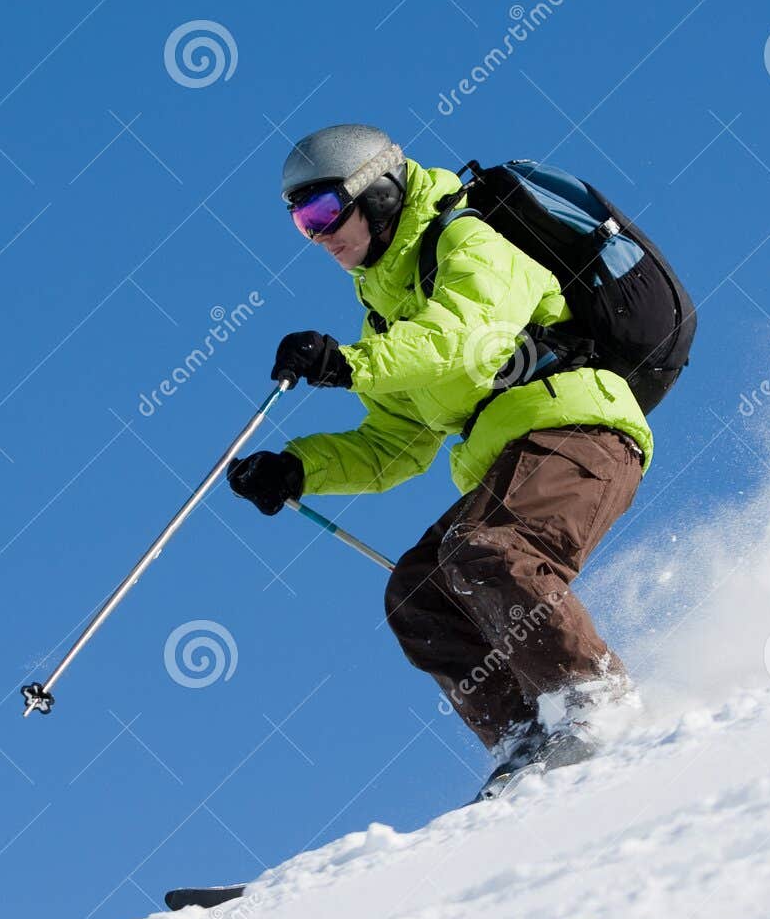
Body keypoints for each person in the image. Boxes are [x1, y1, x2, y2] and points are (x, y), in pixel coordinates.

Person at [228, 124, 659, 798]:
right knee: (419, 590)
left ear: (378, 191)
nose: (317, 234)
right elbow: (395, 444)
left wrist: (350, 364)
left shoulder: (468, 240)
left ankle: (593, 701)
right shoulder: (388, 311)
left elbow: (464, 336)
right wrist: (298, 468)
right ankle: (527, 742)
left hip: (579, 427)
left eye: (321, 211)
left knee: (486, 549)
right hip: (513, 449)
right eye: (299, 222)